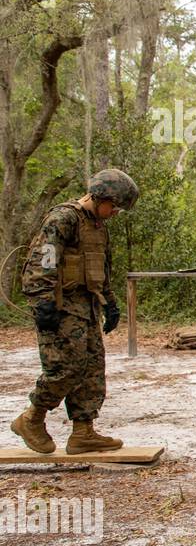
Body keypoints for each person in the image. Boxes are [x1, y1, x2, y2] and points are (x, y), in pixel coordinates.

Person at [11, 169, 137, 455]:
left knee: (92, 368)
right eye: (114, 206)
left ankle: (83, 432)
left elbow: (101, 269)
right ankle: (31, 418)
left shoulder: (98, 226)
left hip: (87, 307)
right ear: (100, 197)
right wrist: (43, 301)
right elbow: (43, 260)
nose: (115, 213)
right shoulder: (63, 219)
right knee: (65, 368)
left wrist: (110, 301)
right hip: (60, 306)